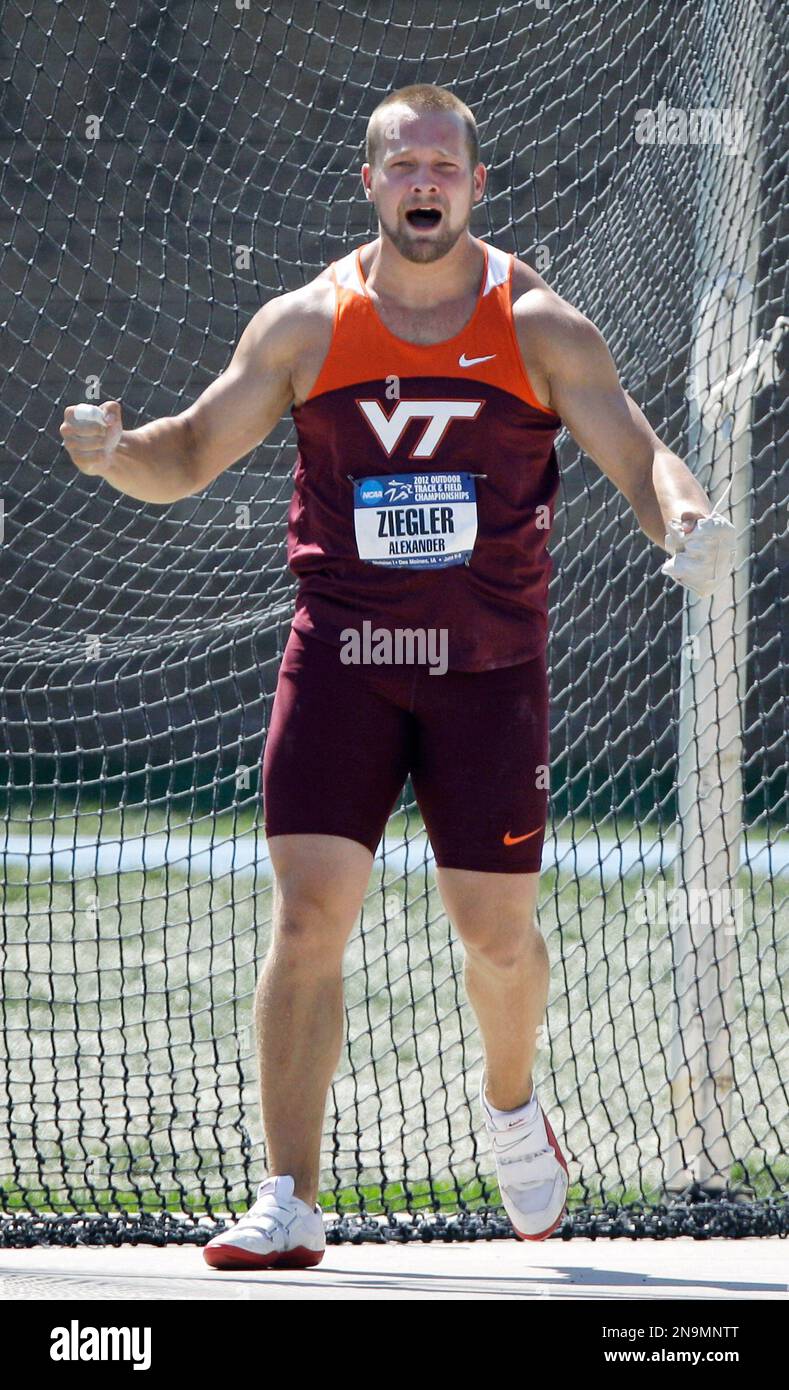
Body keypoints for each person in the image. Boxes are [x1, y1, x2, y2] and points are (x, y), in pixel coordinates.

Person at [60, 83, 736, 1271]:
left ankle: (514, 1105)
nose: (424, 181)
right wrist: (120, 453)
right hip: (343, 663)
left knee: (495, 938)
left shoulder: (540, 327)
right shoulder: (304, 326)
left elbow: (639, 456)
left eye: (444, 164)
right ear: (369, 184)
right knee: (310, 914)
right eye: (401, 163)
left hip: (487, 675)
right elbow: (191, 450)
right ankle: (289, 1197)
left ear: (477, 186)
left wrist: (688, 519)